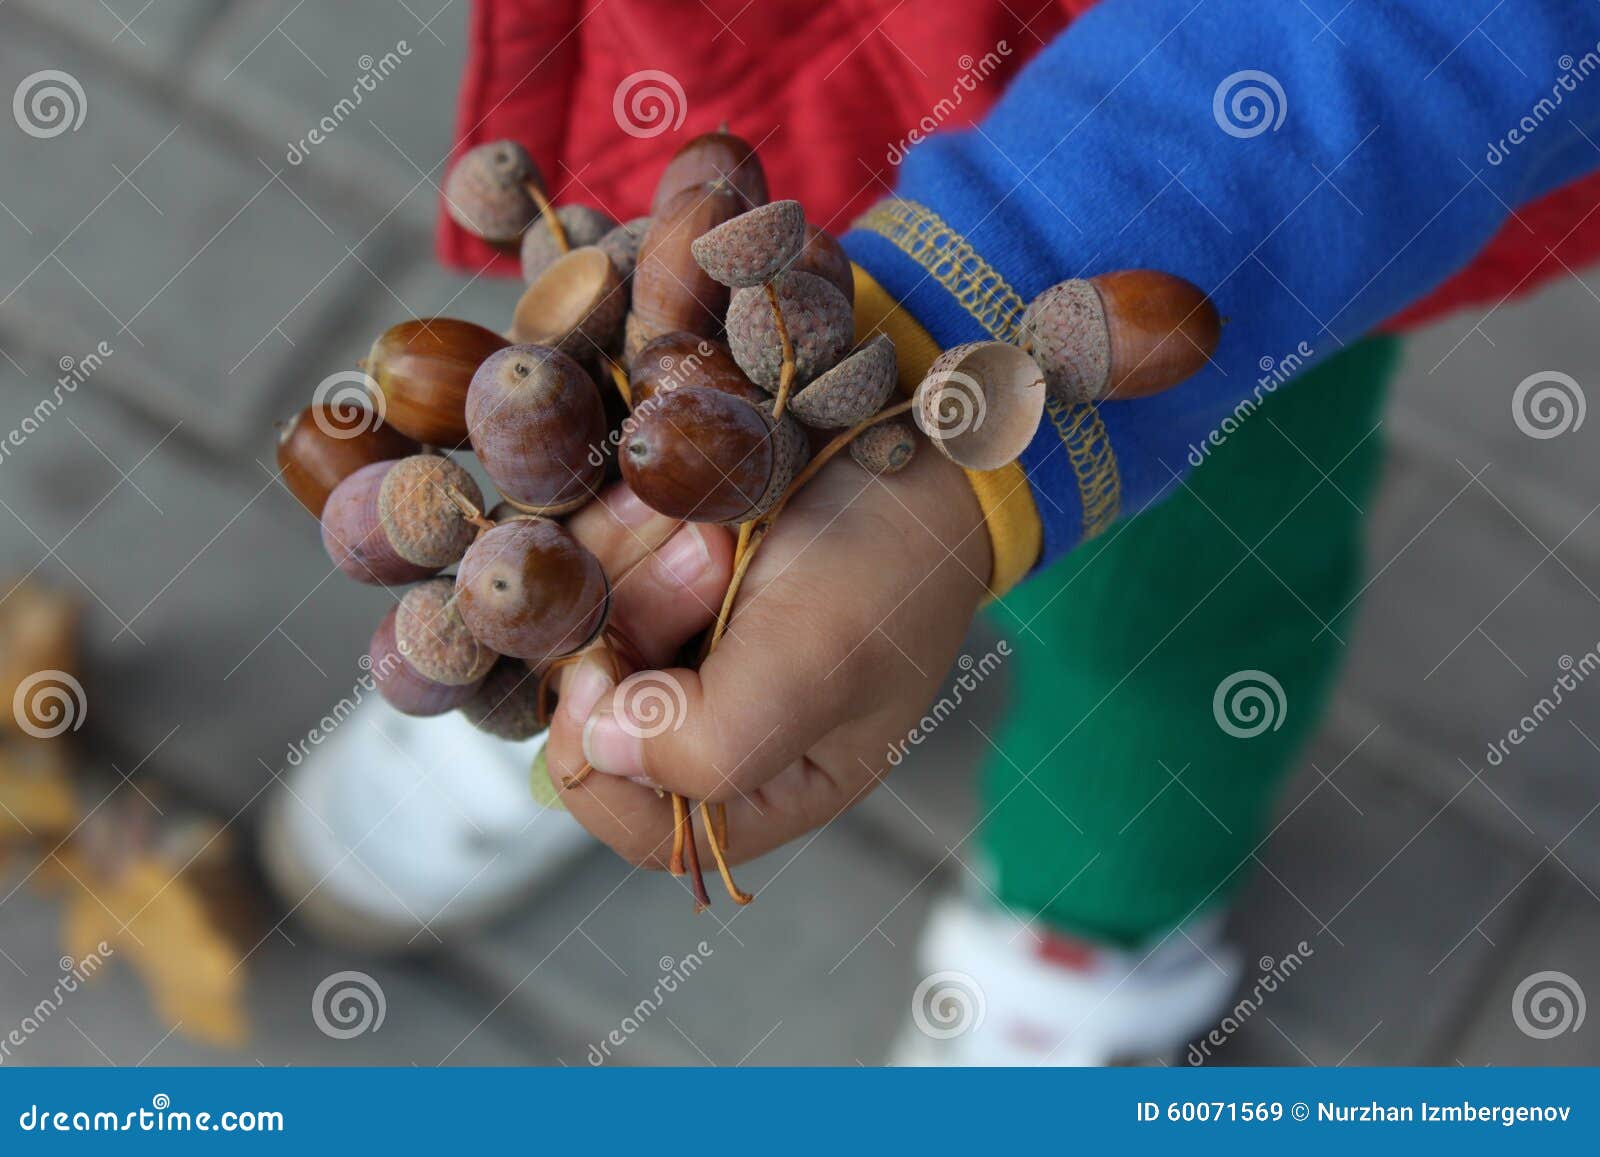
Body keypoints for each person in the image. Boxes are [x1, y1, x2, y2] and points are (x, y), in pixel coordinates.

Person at [265, 0, 1600, 1063]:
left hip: (1225, 193)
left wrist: (1017, 261)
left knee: (1165, 619)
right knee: (645, 408)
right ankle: (588, 644)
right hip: (754, 69)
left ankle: (1090, 918)